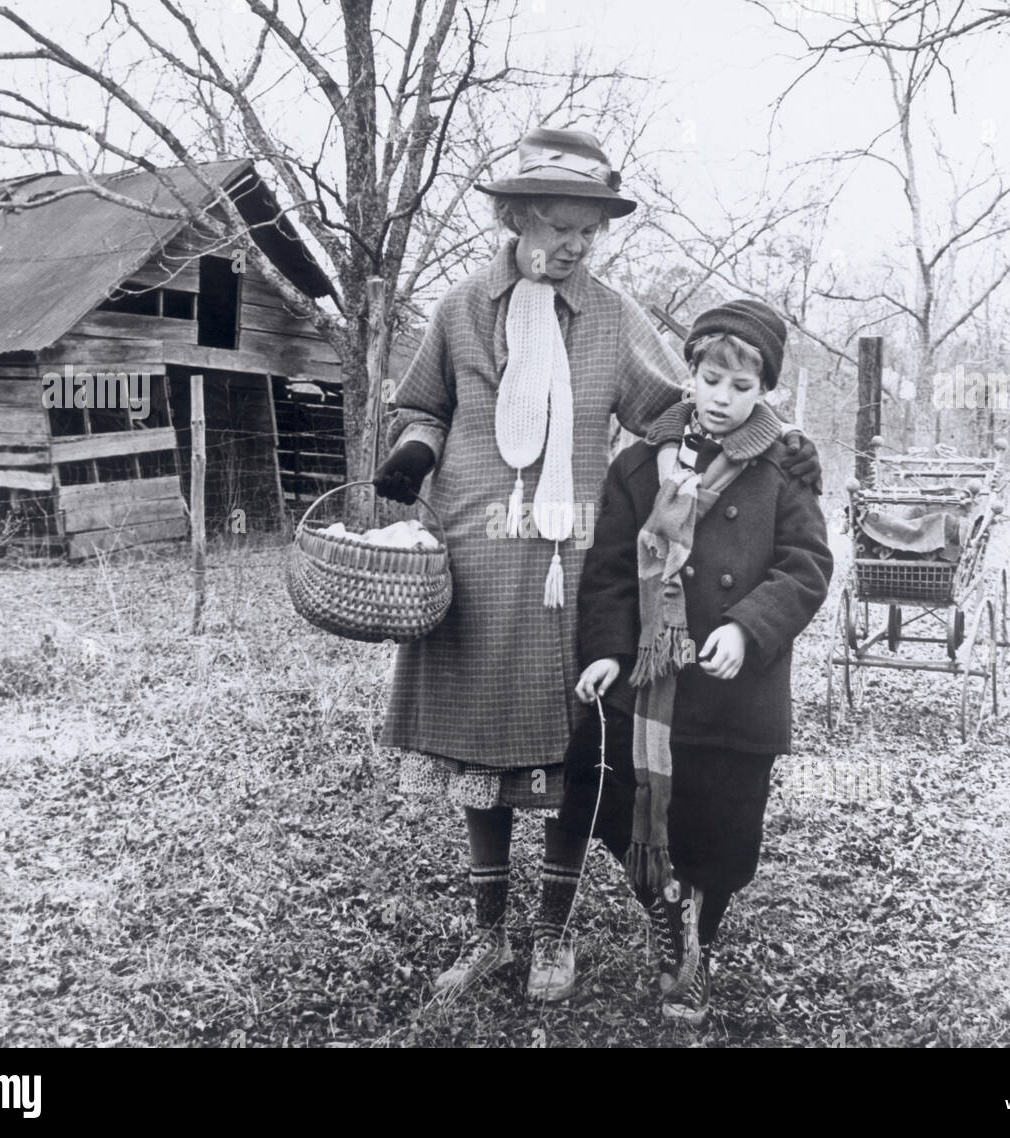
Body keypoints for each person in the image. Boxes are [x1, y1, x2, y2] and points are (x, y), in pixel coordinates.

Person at [372, 128, 823, 1002]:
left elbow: (680, 412)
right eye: (560, 228)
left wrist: (782, 444)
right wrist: (415, 454)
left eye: (591, 232)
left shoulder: (614, 317)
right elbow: (422, 406)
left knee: (579, 755)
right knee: (483, 756)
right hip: (475, 562)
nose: (576, 247)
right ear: (516, 218)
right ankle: (487, 935)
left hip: (571, 571)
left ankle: (553, 933)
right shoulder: (463, 308)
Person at [551, 299, 833, 1025]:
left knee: (720, 831)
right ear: (693, 374)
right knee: (618, 807)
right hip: (648, 688)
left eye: (742, 388)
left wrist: (747, 629)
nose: (722, 399)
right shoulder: (640, 462)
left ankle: (698, 948)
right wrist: (610, 654)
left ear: (764, 390)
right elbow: (610, 571)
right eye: (712, 379)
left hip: (734, 692)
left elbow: (806, 567)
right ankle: (663, 907)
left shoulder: (786, 470)